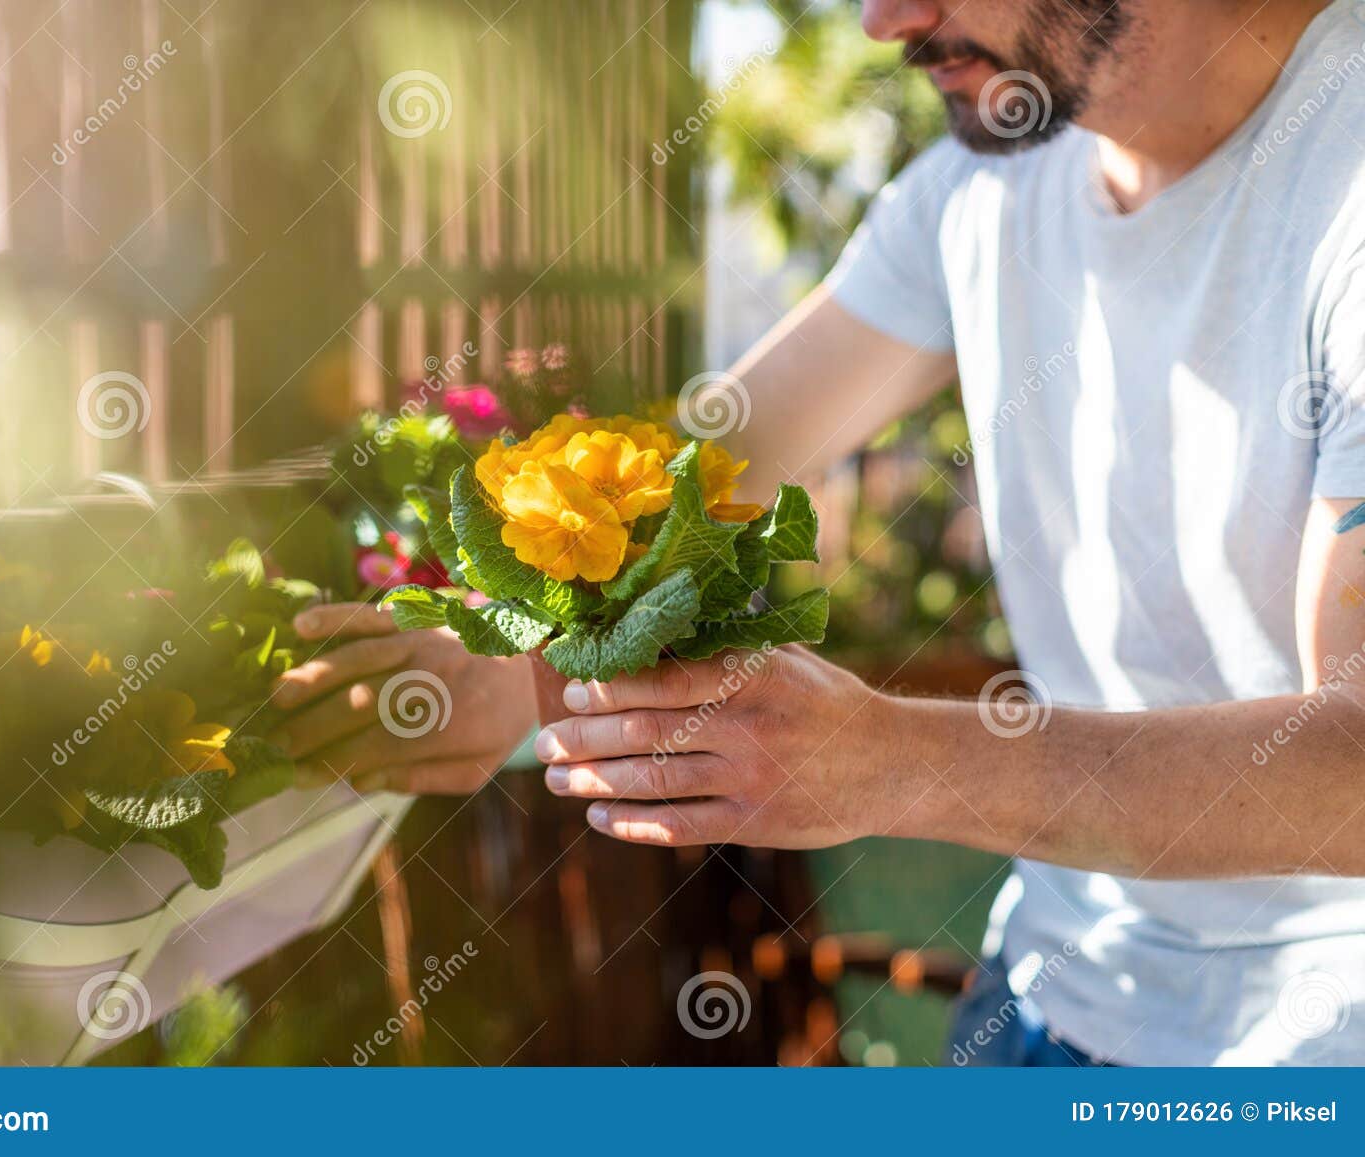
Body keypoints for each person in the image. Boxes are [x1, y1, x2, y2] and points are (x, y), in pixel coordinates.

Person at [274, 0, 1365, 1065]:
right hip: (1056, 995)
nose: (885, 22)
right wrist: (500, 651)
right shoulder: (984, 183)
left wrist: (891, 759)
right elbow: (718, 461)